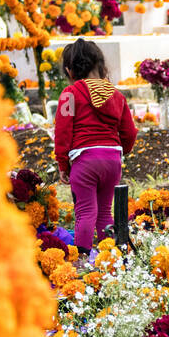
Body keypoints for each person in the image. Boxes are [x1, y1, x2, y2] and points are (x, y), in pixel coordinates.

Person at [53, 39, 137, 252]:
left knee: (85, 212)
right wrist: (118, 153)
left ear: (70, 71)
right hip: (112, 160)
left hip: (85, 160)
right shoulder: (117, 96)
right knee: (104, 213)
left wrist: (63, 163)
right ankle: (107, 258)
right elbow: (129, 132)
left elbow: (62, 132)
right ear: (101, 65)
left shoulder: (70, 95)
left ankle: (81, 258)